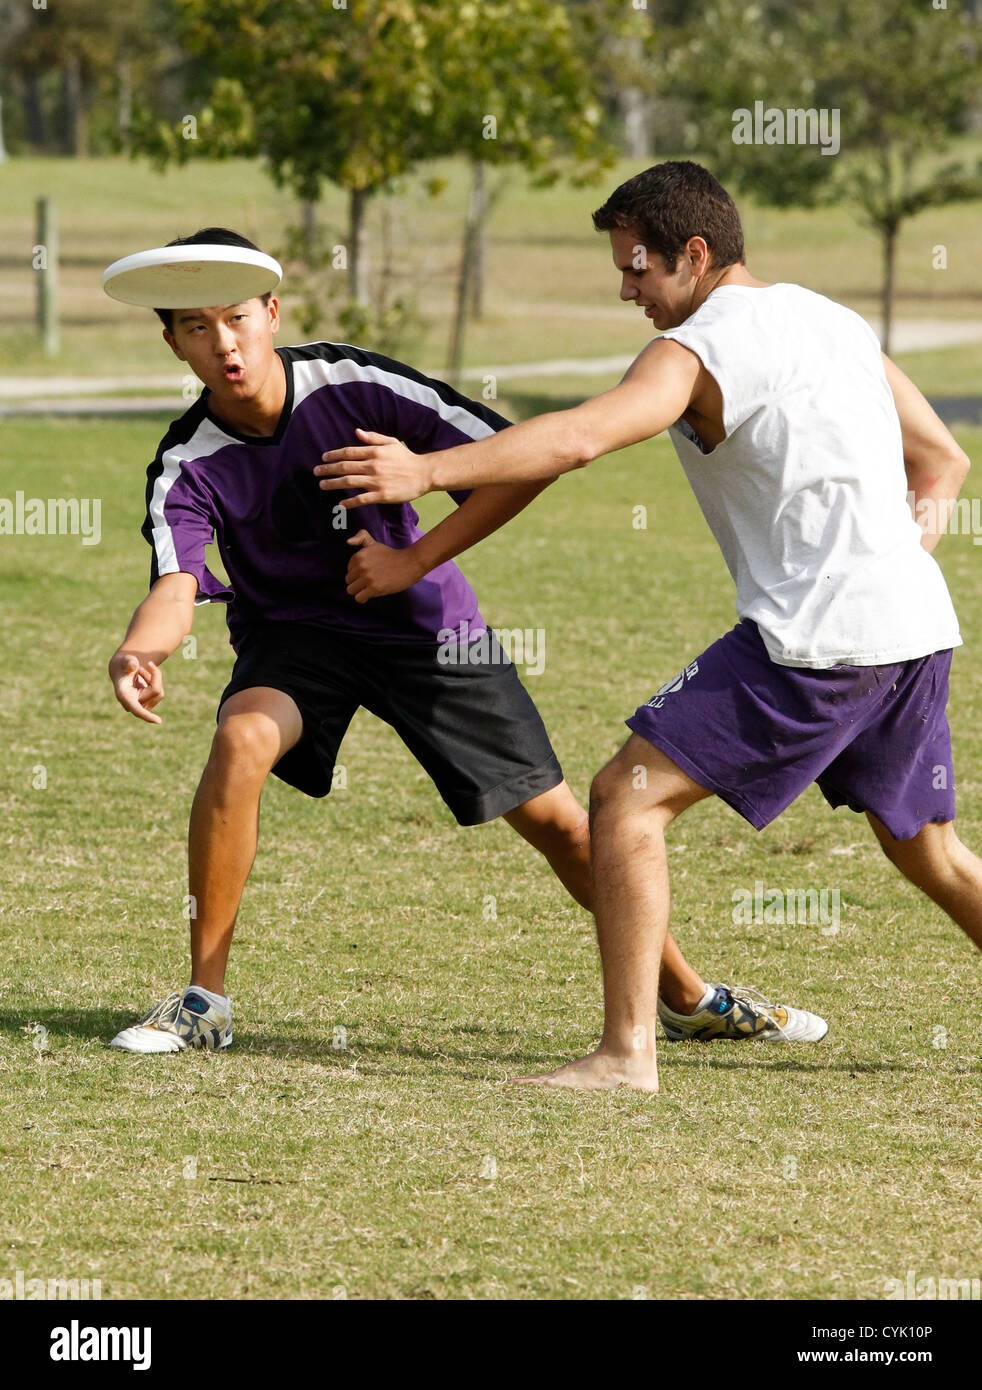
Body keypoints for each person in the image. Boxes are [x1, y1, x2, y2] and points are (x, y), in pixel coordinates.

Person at [316, 161, 979, 1092]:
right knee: (931, 851)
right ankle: (632, 1045)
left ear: (694, 253)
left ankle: (627, 1055)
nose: (626, 288)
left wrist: (425, 472)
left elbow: (585, 437)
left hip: (817, 644)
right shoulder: (835, 319)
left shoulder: (697, 348)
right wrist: (888, 569)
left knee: (625, 797)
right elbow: (944, 461)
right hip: (913, 630)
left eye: (637, 268)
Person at [107, 224, 826, 1054]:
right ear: (172, 343)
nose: (223, 343)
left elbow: (520, 461)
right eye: (196, 327)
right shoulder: (187, 461)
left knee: (563, 826)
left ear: (272, 311)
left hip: (428, 631)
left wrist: (413, 559)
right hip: (296, 644)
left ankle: (691, 997)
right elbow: (175, 583)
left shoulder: (356, 384)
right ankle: (205, 1001)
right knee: (239, 740)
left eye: (236, 318)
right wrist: (142, 651)